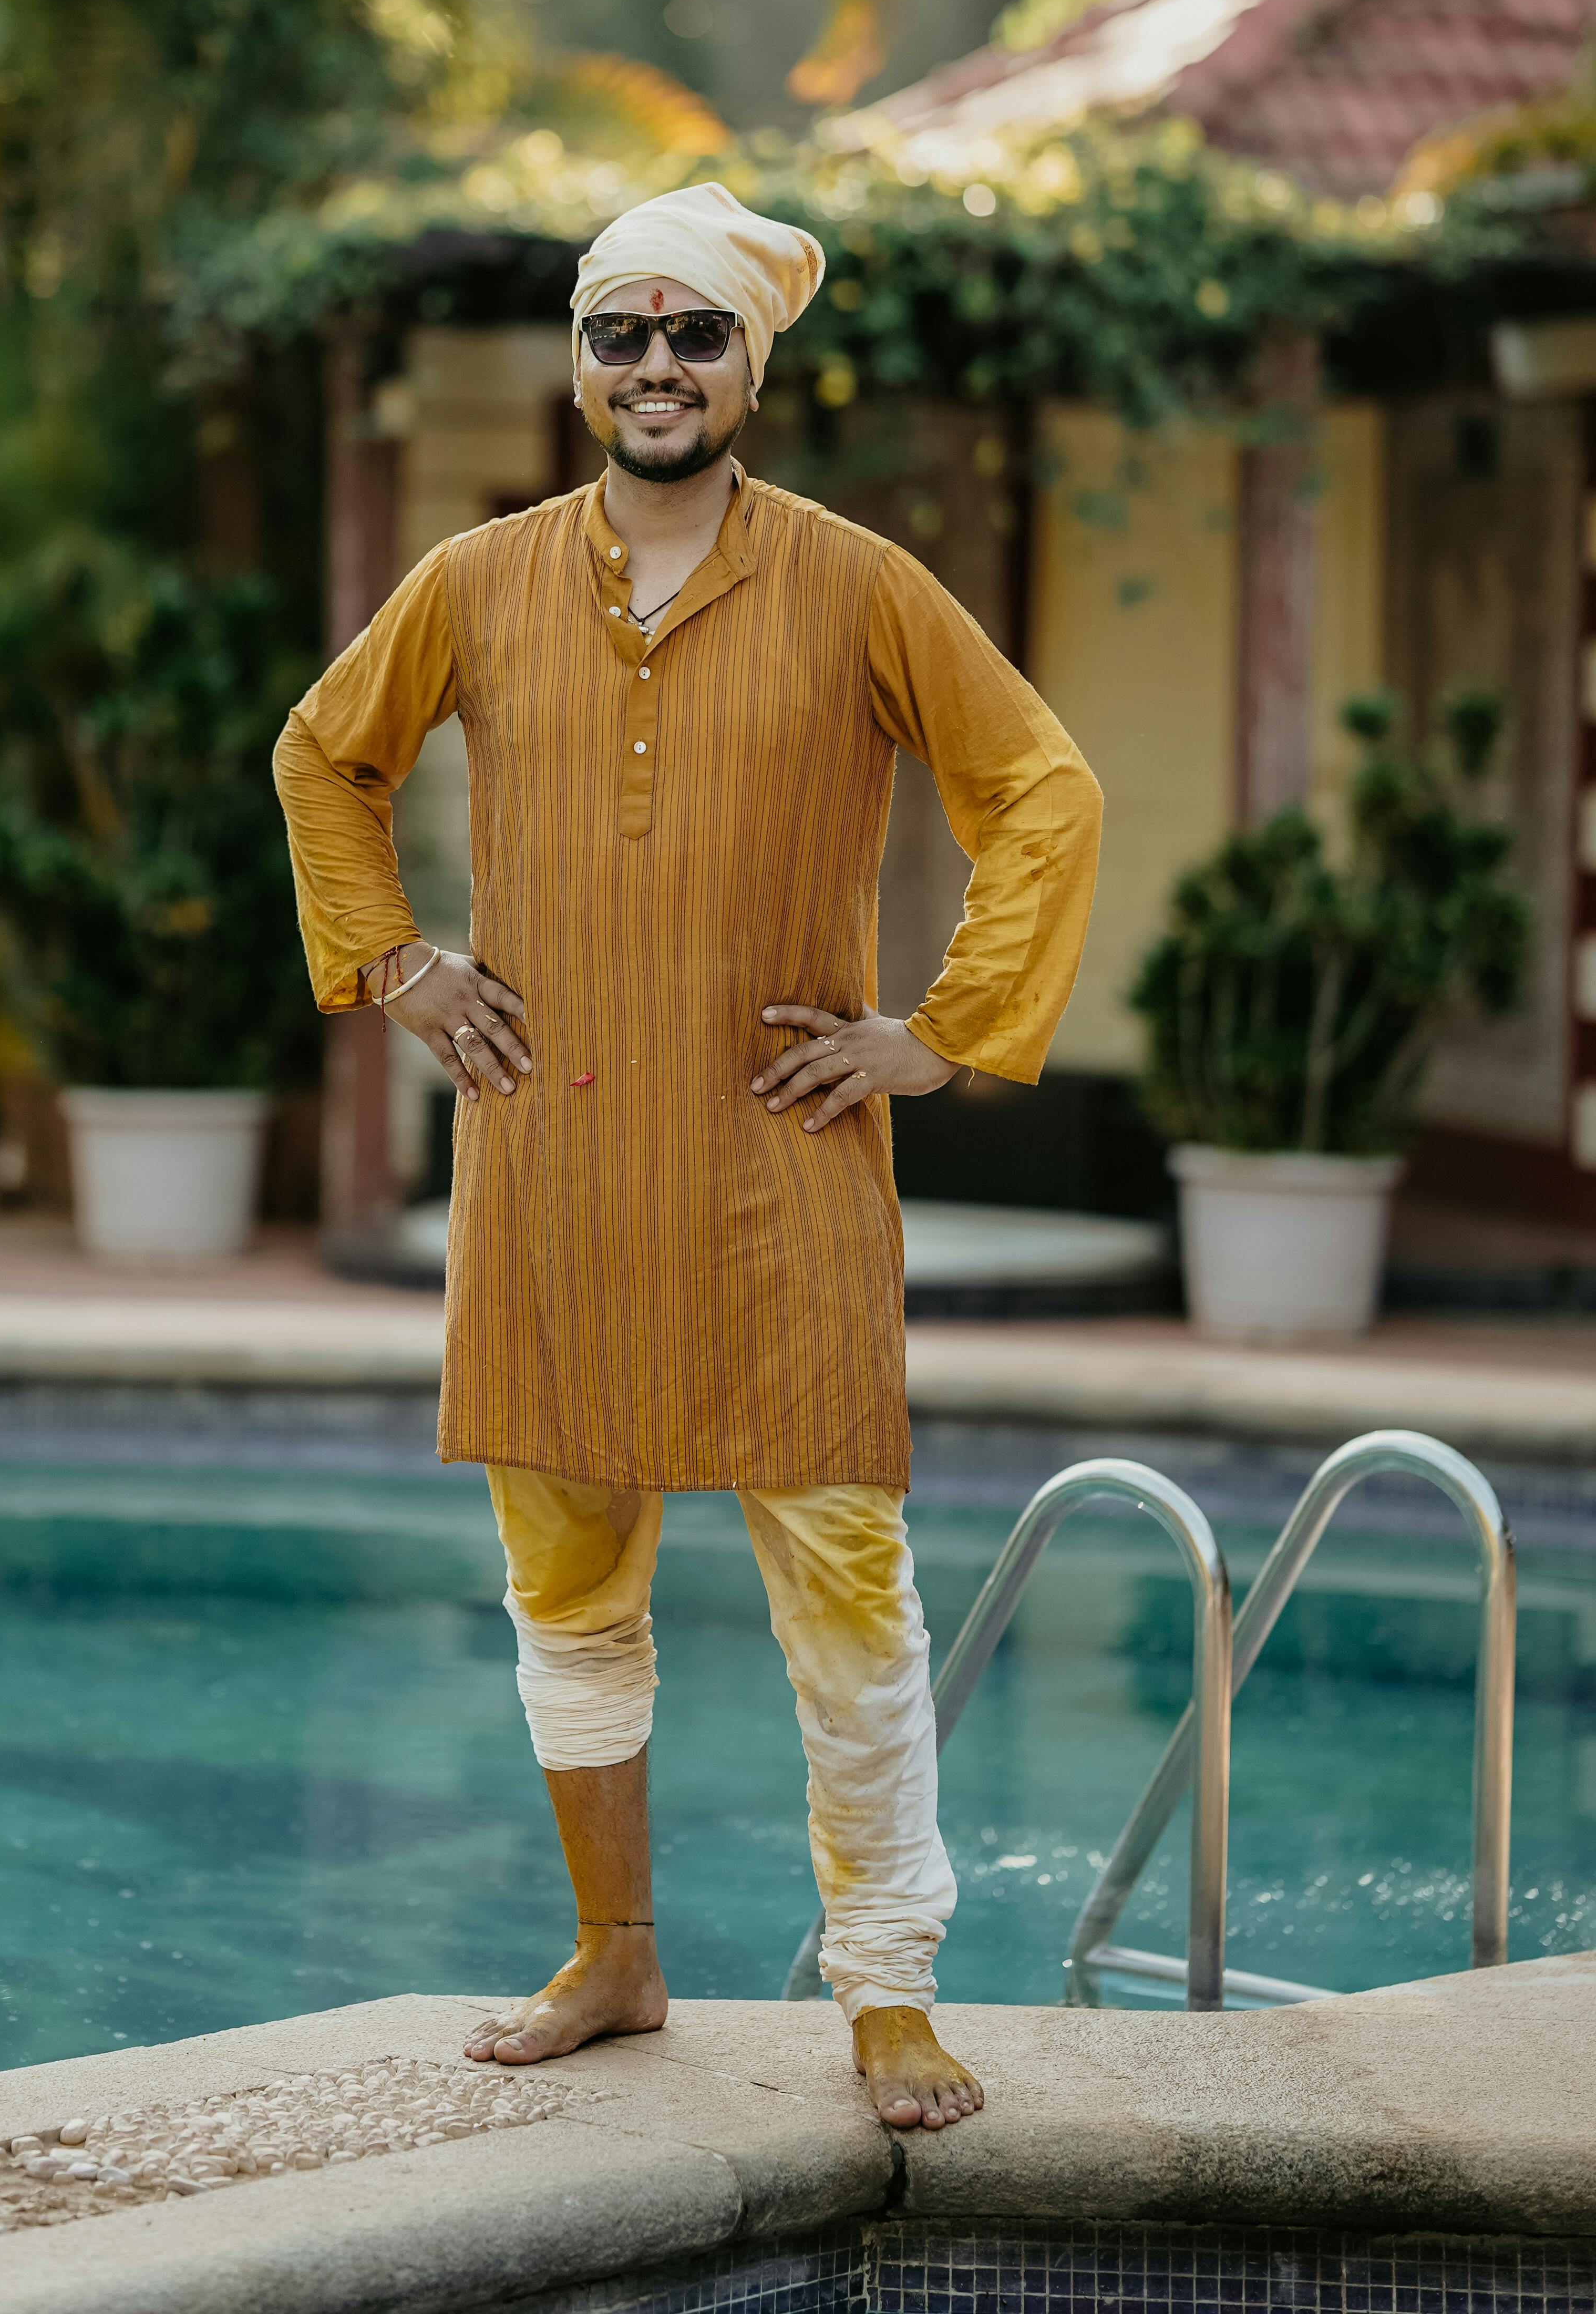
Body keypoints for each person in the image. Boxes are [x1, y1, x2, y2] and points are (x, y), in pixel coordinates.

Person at [272, 181, 1102, 2133]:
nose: (654, 366)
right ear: (582, 364)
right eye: (618, 334)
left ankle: (888, 1989)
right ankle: (614, 1952)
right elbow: (326, 754)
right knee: (567, 1590)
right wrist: (392, 962)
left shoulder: (859, 584)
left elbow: (1041, 791)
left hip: (779, 1173)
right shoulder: (479, 584)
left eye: (693, 334)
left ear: (751, 365)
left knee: (847, 1580)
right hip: (550, 1170)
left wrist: (942, 1033)